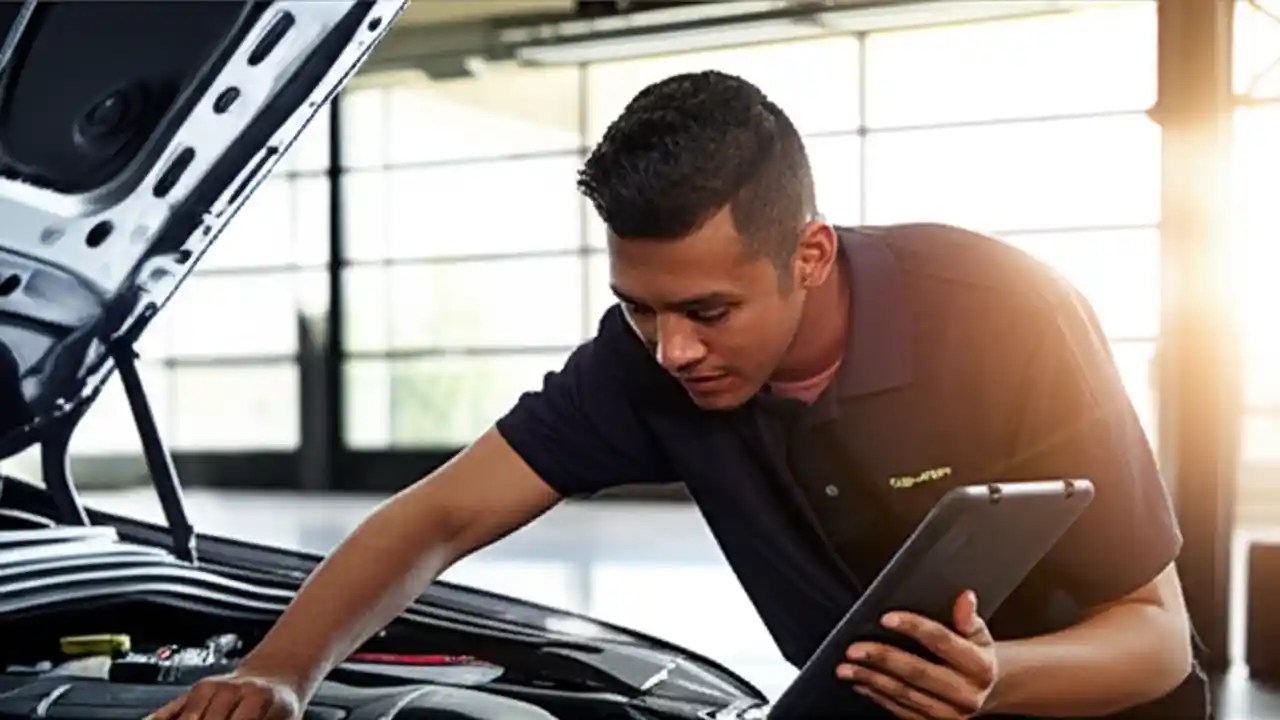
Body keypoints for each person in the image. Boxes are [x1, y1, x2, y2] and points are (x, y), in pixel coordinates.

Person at [148, 71, 1208, 720]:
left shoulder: (1001, 314)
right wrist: (281, 674)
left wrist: (990, 682)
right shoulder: (638, 359)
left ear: (807, 253)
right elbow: (435, 517)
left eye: (705, 309)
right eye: (638, 308)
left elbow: (1153, 638)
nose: (669, 350)